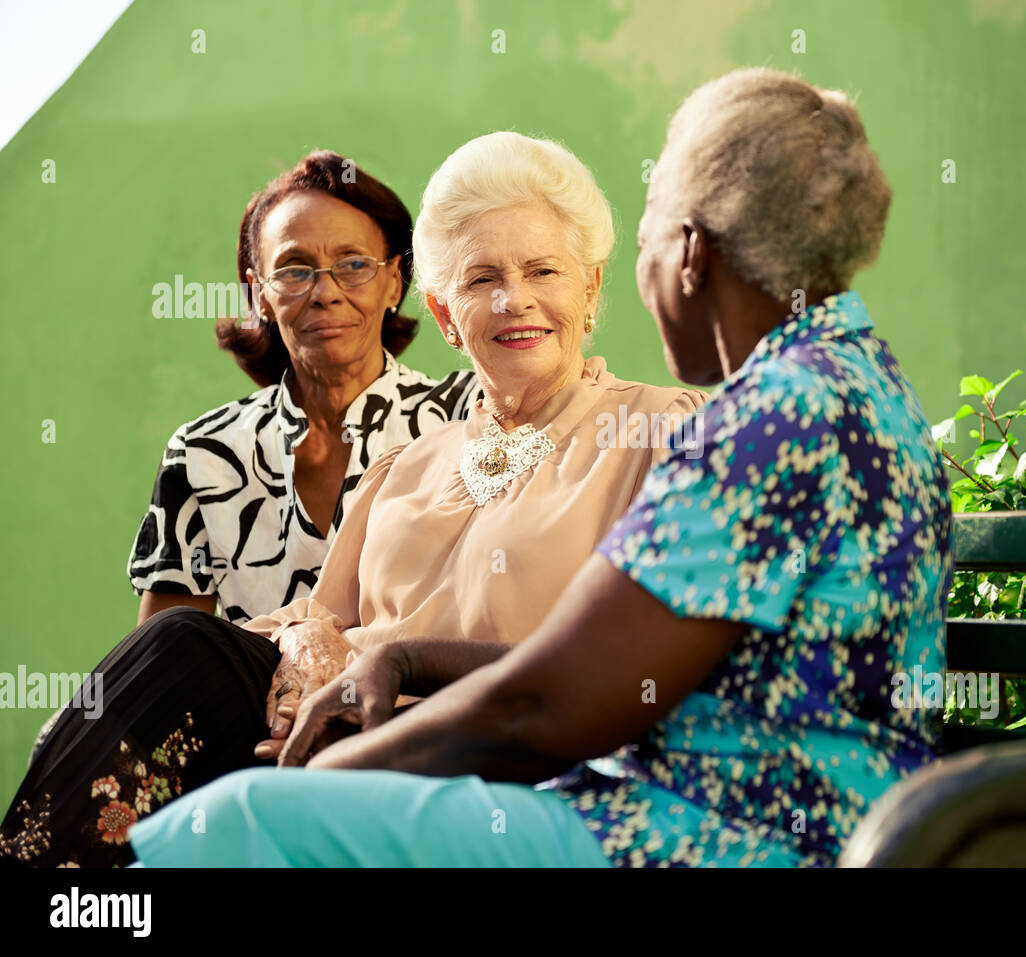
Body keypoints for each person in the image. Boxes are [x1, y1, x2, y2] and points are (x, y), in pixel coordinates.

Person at [127, 67, 955, 869]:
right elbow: (581, 671)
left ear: (691, 251)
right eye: (483, 278)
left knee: (239, 821)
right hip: (724, 809)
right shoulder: (841, 378)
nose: (519, 299)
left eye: (640, 245)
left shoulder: (771, 420)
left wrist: (325, 779)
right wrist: (406, 661)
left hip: (709, 833)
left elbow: (549, 703)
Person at [0, 132, 704, 867]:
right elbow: (321, 624)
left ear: (590, 288)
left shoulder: (659, 431)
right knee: (180, 658)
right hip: (333, 742)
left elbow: (635, 667)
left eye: (543, 270)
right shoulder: (406, 466)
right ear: (443, 313)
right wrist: (306, 653)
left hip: (487, 758)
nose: (513, 299)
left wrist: (403, 663)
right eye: (480, 278)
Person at [128, 150, 478, 628]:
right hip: (252, 705)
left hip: (421, 701)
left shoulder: (467, 416)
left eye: (354, 264)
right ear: (260, 295)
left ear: (394, 283)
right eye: (294, 270)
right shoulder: (203, 453)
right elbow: (170, 659)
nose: (325, 291)